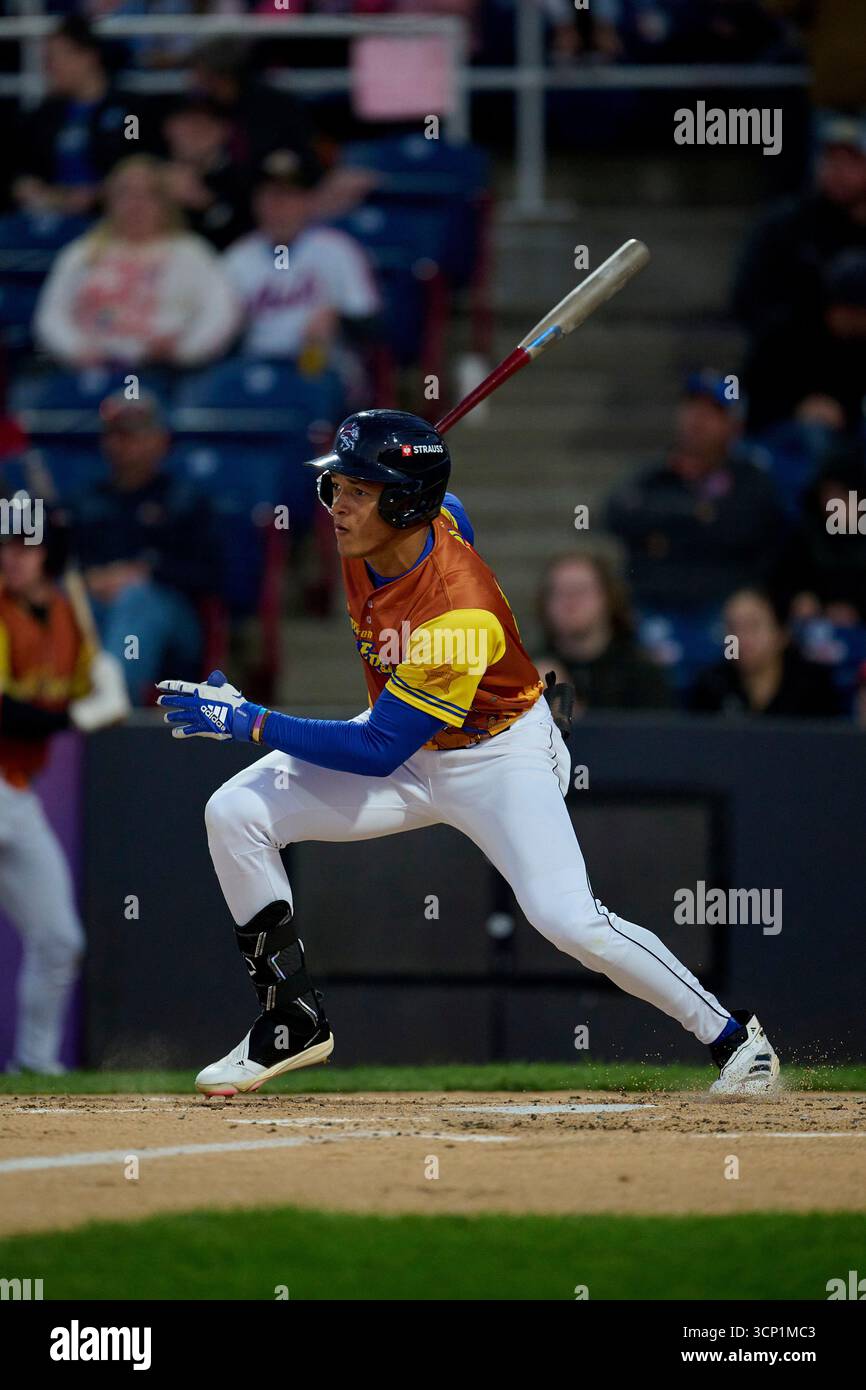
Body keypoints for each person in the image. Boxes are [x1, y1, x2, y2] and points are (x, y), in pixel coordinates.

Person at [156, 410, 780, 1098]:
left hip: (495, 756)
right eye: (337, 486)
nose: (337, 505)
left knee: (567, 919)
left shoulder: (461, 612)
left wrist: (249, 720)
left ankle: (734, 1040)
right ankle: (291, 1019)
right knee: (234, 812)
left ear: (403, 503)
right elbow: (452, 513)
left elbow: (375, 748)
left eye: (358, 491)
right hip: (412, 729)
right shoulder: (414, 522)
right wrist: (387, 471)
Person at [0, 507, 129, 1074]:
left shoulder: (63, 613)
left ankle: (33, 1066)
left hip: (16, 793)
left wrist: (105, 682)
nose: (13, 557)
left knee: (58, 939)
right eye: (6, 547)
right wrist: (78, 716)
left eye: (25, 548)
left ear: (48, 555)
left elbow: (90, 682)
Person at [72, 392, 218, 703]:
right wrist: (89, 581)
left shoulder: (185, 500)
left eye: (134, 434)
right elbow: (65, 566)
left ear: (160, 439)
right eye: (115, 435)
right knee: (64, 601)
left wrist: (146, 573)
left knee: (136, 600)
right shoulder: (85, 502)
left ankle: (115, 705)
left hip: (173, 622)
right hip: (96, 606)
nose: (123, 444)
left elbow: (214, 576)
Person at [606, 371, 787, 615]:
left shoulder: (751, 479)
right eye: (692, 406)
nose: (698, 418)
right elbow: (617, 514)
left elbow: (740, 530)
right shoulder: (654, 475)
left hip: (724, 609)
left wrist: (662, 531)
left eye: (712, 411)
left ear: (734, 426)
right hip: (651, 604)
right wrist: (697, 512)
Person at [34, 155, 239, 369]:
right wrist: (77, 349)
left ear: (165, 202)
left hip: (165, 373)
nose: (135, 204)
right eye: (125, 193)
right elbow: (51, 316)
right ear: (110, 200)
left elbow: (221, 313)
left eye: (148, 194)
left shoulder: (192, 252)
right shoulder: (82, 253)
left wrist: (183, 350)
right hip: (88, 371)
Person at [223, 150, 380, 386]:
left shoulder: (338, 249)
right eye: (271, 196)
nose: (279, 206)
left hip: (323, 369)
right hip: (252, 369)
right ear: (256, 202)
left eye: (290, 196)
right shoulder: (238, 257)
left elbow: (372, 326)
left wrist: (338, 319)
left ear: (308, 201)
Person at [12, 15, 138, 218]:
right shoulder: (43, 115)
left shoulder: (129, 112)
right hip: (50, 216)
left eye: (53, 59)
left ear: (88, 57)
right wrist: (24, 184)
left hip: (111, 215)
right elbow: (21, 165)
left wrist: (98, 194)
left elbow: (135, 154)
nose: (49, 69)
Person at [535, 551, 673, 711]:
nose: (570, 602)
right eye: (559, 592)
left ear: (607, 597)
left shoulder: (643, 675)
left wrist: (562, 705)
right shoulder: (525, 674)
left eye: (581, 590)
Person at [689, 588, 842, 717]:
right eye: (732, 627)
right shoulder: (710, 685)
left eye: (753, 626)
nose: (740, 638)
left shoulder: (815, 686)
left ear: (782, 634)